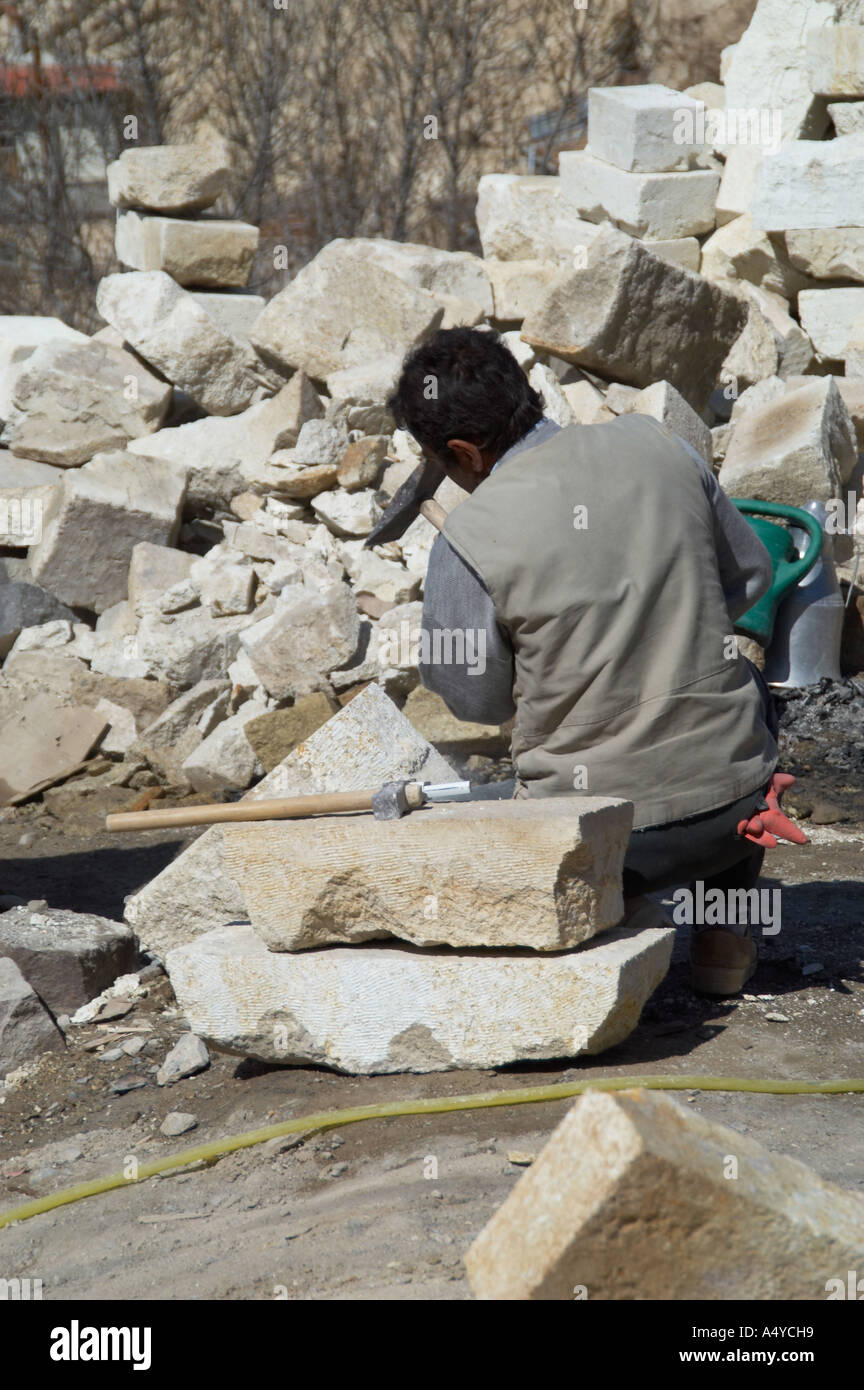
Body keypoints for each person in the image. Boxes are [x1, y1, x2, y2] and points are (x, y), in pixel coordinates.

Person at [386, 326, 804, 995]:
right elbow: (751, 577)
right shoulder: (657, 443)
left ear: (461, 452)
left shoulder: (467, 539)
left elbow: (477, 702)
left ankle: (618, 914)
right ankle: (723, 941)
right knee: (743, 685)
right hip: (736, 811)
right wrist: (671, 628)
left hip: (600, 841)